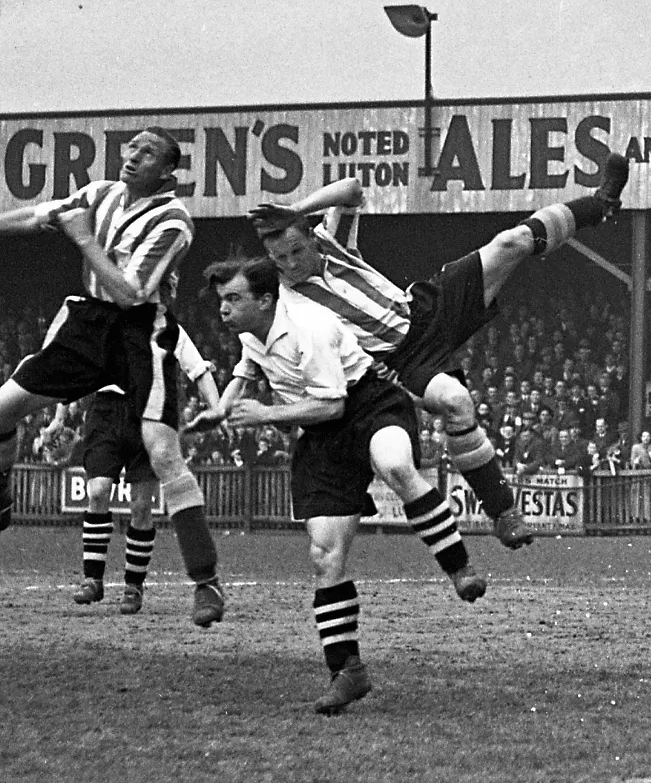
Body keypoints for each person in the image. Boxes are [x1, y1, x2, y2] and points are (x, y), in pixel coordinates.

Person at [247, 154, 629, 549]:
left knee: (510, 242)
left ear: (311, 237)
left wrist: (295, 209)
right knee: (456, 401)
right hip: (401, 360)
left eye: (296, 251)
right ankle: (503, 512)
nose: (291, 264)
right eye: (281, 259)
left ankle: (600, 205)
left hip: (425, 307)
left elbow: (351, 189)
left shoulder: (332, 241)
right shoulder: (288, 305)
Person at [196, 257, 485, 715]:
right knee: (324, 554)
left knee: (395, 465)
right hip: (320, 435)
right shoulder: (253, 331)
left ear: (265, 300)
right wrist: (221, 408)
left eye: (233, 299)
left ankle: (459, 568)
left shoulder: (309, 327)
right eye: (221, 300)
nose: (224, 310)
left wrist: (266, 414)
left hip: (367, 404)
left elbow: (333, 406)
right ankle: (346, 671)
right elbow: (247, 369)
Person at [0, 128, 226, 626]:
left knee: (163, 451)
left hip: (140, 331)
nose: (133, 155)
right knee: (2, 408)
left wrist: (82, 237)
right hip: (89, 323)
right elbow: (38, 215)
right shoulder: (99, 193)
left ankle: (205, 579)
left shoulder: (173, 221)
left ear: (167, 172)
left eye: (148, 152)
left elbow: (129, 292)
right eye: (132, 147)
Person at [38, 324, 219, 614]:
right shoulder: (102, 322)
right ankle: (92, 579)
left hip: (149, 410)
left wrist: (218, 409)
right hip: (105, 412)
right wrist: (59, 418)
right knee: (97, 491)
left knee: (141, 506)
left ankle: (133, 586)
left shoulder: (167, 327)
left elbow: (199, 370)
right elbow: (75, 370)